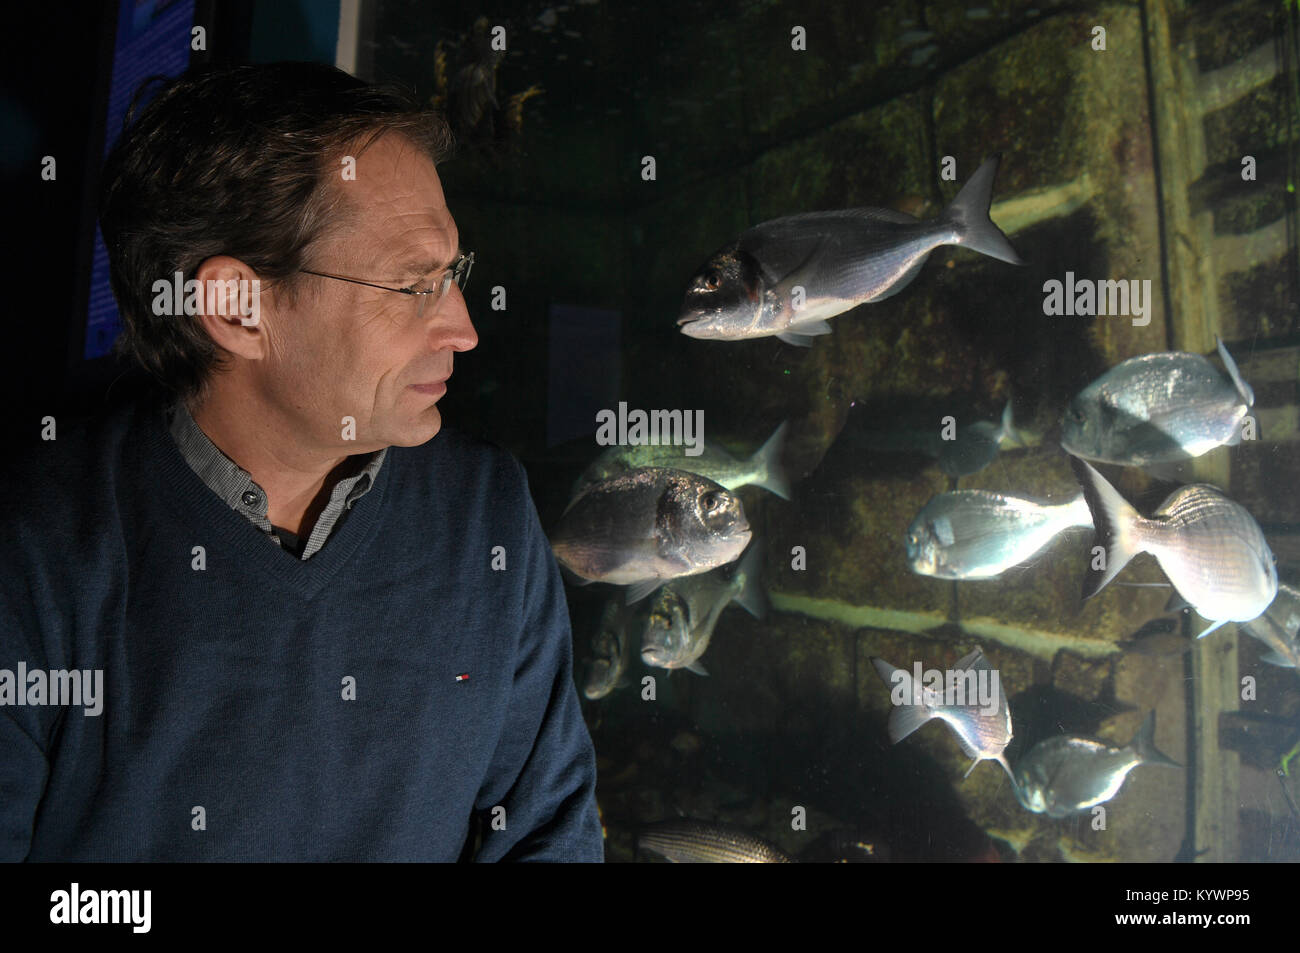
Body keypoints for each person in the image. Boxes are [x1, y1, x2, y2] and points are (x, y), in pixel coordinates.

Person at [0, 62, 603, 862]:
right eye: (410, 285)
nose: (462, 328)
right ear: (235, 309)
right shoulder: (37, 550)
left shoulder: (485, 512)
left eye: (452, 274)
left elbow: (548, 836)